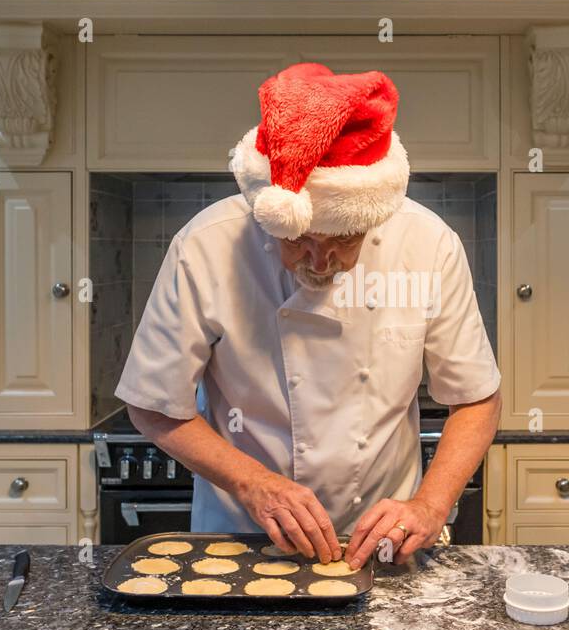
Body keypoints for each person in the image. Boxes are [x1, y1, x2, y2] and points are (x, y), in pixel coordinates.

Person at [116, 63, 500, 569]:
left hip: (382, 544)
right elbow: (152, 404)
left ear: (373, 215)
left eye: (343, 242)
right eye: (296, 241)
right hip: (242, 542)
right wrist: (253, 484)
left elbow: (476, 399)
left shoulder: (429, 245)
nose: (319, 263)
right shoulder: (204, 247)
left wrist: (429, 505)